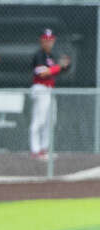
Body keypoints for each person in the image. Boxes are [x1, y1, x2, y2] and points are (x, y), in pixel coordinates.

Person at [29, 28, 71, 161]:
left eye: (51, 40)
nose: (49, 43)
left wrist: (65, 66)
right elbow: (43, 73)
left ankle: (44, 149)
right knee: (39, 120)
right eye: (46, 40)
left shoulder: (50, 56)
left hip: (49, 90)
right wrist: (59, 66)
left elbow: (56, 71)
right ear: (41, 41)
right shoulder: (39, 55)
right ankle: (35, 150)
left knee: (50, 121)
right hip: (40, 88)